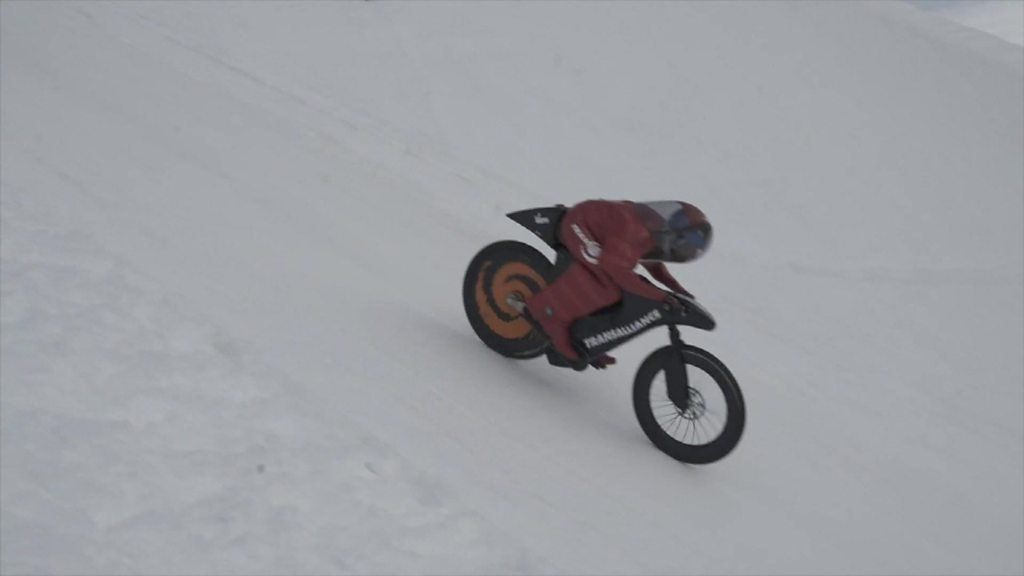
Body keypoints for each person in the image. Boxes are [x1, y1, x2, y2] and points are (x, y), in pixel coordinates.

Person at [525, 200, 712, 369]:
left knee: (617, 291)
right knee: (607, 287)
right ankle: (548, 314)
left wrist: (676, 289)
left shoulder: (654, 228)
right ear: (675, 233)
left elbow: (652, 264)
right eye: (685, 246)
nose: (683, 251)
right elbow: (618, 273)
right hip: (579, 224)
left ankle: (584, 339)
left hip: (597, 232)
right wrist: (662, 296)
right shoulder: (633, 231)